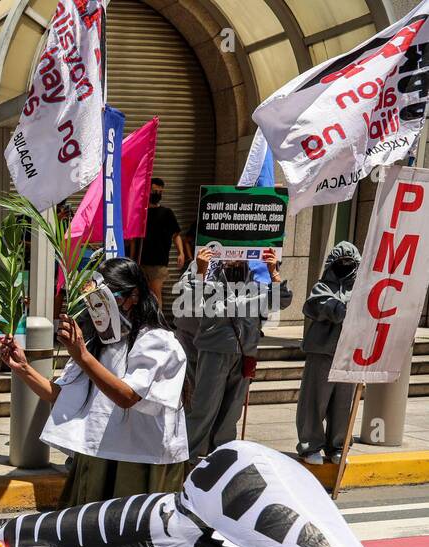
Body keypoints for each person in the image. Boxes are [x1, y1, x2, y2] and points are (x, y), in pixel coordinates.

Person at [0, 257, 188, 506]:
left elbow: (127, 396)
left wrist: (83, 356)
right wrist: (23, 369)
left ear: (134, 295)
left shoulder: (157, 342)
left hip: (142, 460)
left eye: (111, 299)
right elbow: (59, 394)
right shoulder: (95, 345)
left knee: (131, 534)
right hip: (100, 453)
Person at [177, 247, 292, 459]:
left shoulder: (256, 284)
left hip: (245, 353)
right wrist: (200, 272)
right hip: (214, 351)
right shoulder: (209, 278)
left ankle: (222, 456)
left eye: (241, 258)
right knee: (204, 408)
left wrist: (274, 272)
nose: (235, 261)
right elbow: (191, 303)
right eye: (231, 257)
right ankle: (192, 459)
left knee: (232, 412)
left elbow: (281, 301)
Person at [297, 241, 361, 465]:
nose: (345, 266)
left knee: (343, 403)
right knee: (315, 401)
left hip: (348, 354)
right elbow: (318, 305)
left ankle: (338, 447)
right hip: (322, 353)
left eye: (349, 263)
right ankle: (310, 445)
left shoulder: (361, 289)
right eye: (341, 262)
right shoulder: (322, 287)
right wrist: (344, 309)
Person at [130, 178, 184, 310]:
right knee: (141, 293)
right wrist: (131, 259)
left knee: (155, 292)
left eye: (160, 192)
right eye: (155, 191)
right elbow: (133, 238)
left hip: (159, 260)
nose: (157, 194)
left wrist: (181, 253)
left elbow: (176, 235)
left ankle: (157, 321)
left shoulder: (167, 213)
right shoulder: (141, 213)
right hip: (141, 260)